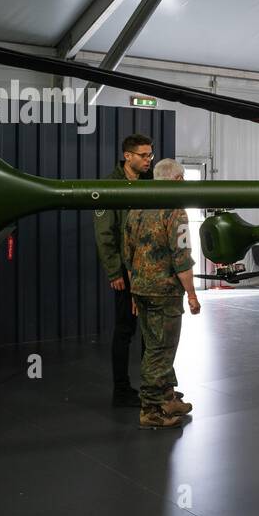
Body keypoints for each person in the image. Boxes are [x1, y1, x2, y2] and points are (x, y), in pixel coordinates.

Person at [122, 158, 201, 429]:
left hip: (141, 289)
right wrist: (192, 294)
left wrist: (134, 291)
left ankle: (167, 397)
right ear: (177, 180)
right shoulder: (175, 211)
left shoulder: (136, 207)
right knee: (161, 350)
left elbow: (128, 255)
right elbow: (182, 258)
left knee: (154, 345)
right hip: (164, 292)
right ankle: (152, 409)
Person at [94, 134, 155, 407]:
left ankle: (152, 386)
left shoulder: (151, 183)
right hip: (125, 271)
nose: (148, 160)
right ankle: (121, 390)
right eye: (143, 155)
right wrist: (114, 272)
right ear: (127, 155)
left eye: (150, 155)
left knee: (150, 331)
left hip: (150, 268)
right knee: (124, 330)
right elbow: (104, 233)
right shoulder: (110, 185)